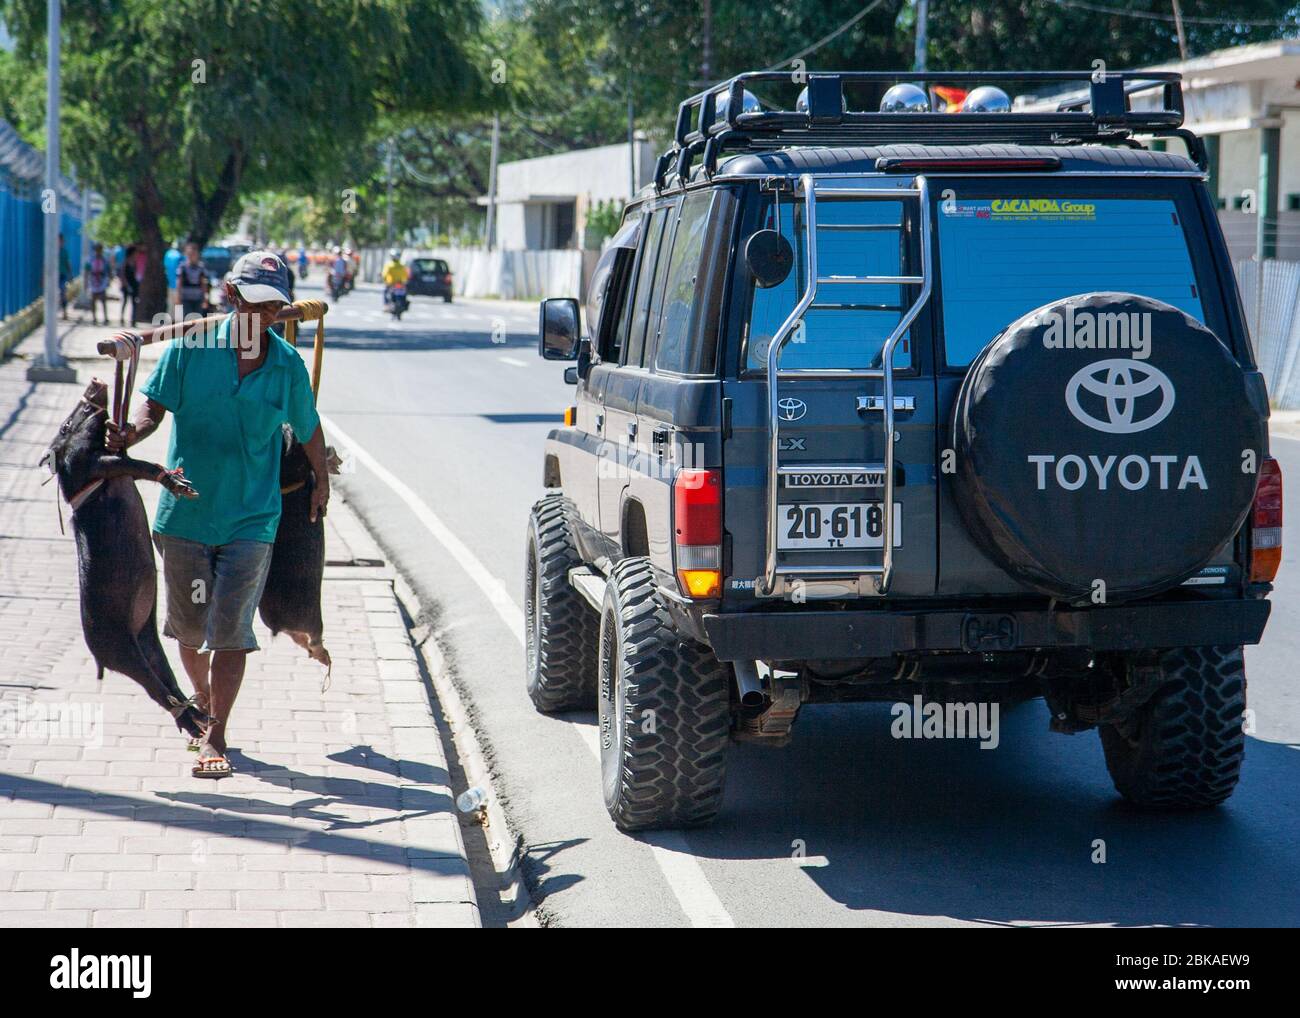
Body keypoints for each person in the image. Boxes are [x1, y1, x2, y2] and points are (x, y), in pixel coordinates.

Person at [105, 251, 329, 779]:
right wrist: (130, 436)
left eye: (275, 307)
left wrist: (319, 483)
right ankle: (202, 698)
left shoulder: (286, 365)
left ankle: (215, 730)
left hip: (253, 518)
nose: (266, 317)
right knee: (188, 627)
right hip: (185, 514)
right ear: (230, 296)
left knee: (231, 628)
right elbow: (152, 408)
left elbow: (311, 428)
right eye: (255, 304)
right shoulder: (189, 349)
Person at [177, 242, 211, 319]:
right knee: (187, 319)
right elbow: (179, 282)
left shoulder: (201, 267)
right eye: (189, 254)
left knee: (198, 319)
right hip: (186, 298)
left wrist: (205, 296)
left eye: (193, 254)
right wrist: (178, 296)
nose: (191, 256)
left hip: (198, 298)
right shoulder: (182, 267)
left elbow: (203, 282)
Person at [83, 242, 110, 325]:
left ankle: (105, 317)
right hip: (93, 281)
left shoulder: (104, 260)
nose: (98, 251)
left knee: (103, 300)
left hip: (102, 281)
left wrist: (108, 281)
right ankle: (94, 318)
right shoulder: (90, 259)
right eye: (97, 249)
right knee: (93, 300)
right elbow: (86, 271)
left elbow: (108, 271)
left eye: (100, 249)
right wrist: (85, 282)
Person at [119, 243, 140, 326]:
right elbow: (123, 275)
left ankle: (133, 319)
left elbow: (135, 274)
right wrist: (126, 285)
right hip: (126, 285)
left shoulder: (134, 262)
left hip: (133, 284)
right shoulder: (126, 262)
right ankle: (122, 318)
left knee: (134, 302)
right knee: (125, 301)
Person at [57, 233, 72, 320]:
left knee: (63, 293)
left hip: (62, 275)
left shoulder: (64, 252)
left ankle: (64, 312)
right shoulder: (52, 252)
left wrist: (70, 275)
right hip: (53, 276)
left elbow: (68, 263)